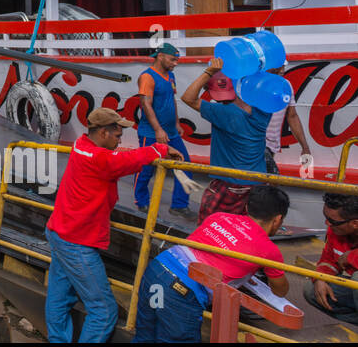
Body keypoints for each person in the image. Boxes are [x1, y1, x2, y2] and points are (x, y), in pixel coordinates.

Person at [45, 108, 175, 343]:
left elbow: (119, 157)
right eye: (117, 136)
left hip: (60, 232)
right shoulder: (101, 159)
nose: (120, 140)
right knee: (104, 312)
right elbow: (125, 160)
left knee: (59, 297)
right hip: (77, 242)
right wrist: (160, 149)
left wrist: (142, 151)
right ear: (103, 133)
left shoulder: (81, 145)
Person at [134, 185, 291, 343]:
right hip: (182, 290)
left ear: (247, 207)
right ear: (277, 219)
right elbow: (279, 291)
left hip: (157, 268)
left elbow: (214, 253)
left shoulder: (219, 217)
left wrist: (244, 274)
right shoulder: (269, 250)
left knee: (145, 336)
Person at [180, 57, 273, 223]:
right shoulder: (264, 112)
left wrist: (209, 72)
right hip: (257, 184)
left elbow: (188, 98)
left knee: (210, 231)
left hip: (231, 184)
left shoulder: (224, 112)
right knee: (245, 233)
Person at [133, 43, 192, 218]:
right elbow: (145, 104)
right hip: (151, 133)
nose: (176, 63)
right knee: (146, 169)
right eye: (173, 59)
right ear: (161, 56)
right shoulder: (147, 77)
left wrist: (176, 123)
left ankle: (179, 205)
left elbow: (171, 100)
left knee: (184, 164)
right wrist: (158, 129)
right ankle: (141, 202)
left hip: (171, 132)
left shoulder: (170, 76)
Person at [307, 192, 358, 324]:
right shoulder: (336, 230)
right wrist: (321, 278)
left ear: (355, 223)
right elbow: (328, 260)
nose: (327, 223)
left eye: (333, 221)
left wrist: (352, 256)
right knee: (312, 291)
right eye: (325, 217)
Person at [264, 66, 313, 175]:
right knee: (271, 181)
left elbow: (292, 116)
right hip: (257, 145)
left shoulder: (286, 86)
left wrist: (305, 147)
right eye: (278, 66)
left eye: (283, 66)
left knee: (266, 183)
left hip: (272, 146)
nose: (282, 69)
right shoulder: (256, 85)